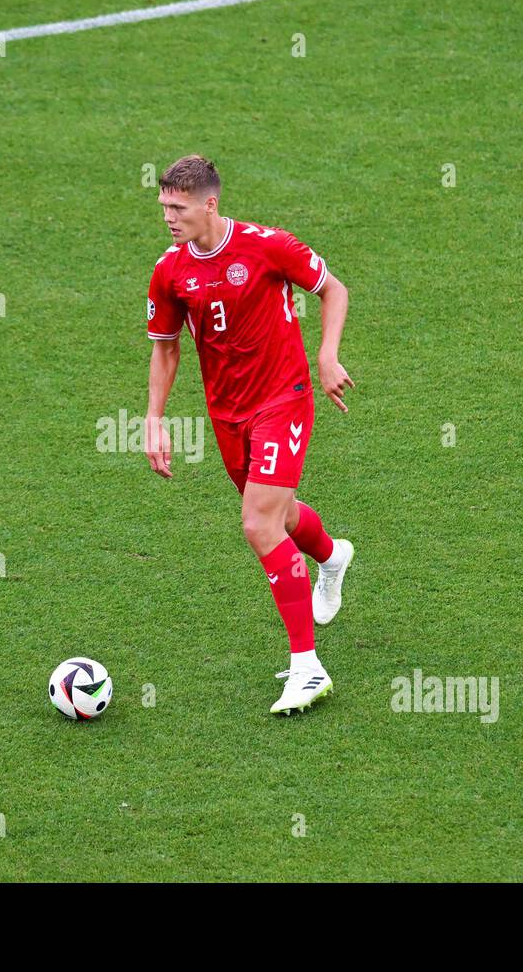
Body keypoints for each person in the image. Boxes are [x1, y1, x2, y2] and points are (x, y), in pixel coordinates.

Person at [143, 154, 355, 714]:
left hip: (283, 398)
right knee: (281, 518)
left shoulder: (268, 246)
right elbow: (166, 348)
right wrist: (153, 419)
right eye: (164, 206)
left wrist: (327, 356)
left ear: (209, 203)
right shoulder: (170, 271)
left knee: (257, 522)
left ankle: (307, 668)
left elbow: (334, 290)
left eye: (178, 207)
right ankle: (331, 557)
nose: (168, 217)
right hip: (227, 414)